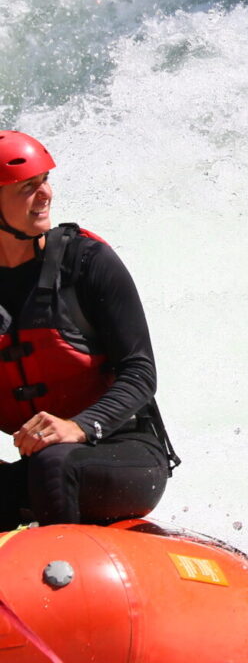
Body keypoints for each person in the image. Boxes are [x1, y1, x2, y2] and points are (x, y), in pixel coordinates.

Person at [0, 131, 177, 527]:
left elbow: (140, 374)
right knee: (45, 464)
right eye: (28, 187)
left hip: (124, 452)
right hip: (41, 466)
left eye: (45, 180)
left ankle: (58, 578)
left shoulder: (88, 262)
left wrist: (77, 427)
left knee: (54, 464)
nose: (45, 194)